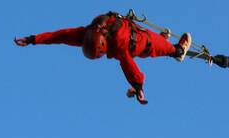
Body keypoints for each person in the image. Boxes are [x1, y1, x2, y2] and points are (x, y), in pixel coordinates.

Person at [14, 11, 191, 105]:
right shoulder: (87, 34)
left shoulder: (118, 44)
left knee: (161, 46)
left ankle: (177, 51)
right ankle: (165, 44)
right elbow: (60, 36)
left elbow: (128, 65)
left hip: (142, 44)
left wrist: (138, 87)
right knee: (152, 40)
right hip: (134, 31)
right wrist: (32, 40)